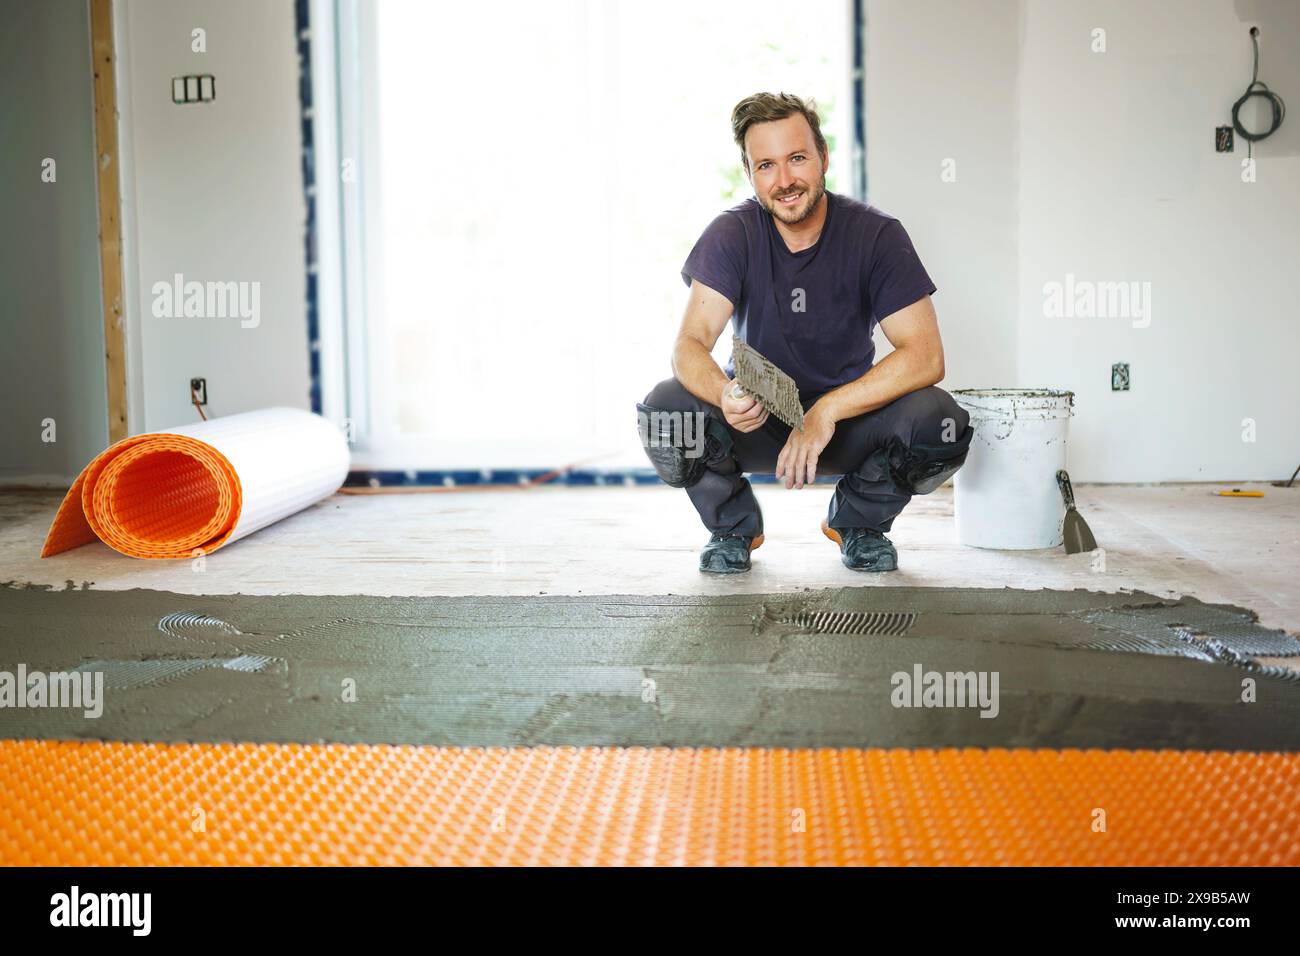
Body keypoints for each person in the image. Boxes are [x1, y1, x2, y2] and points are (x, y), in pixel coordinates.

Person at [637, 92, 973, 574]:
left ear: (823, 158)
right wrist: (725, 393)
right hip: (755, 422)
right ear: (750, 174)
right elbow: (688, 346)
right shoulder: (732, 234)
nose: (785, 180)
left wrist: (828, 410)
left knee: (940, 421)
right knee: (667, 411)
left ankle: (858, 521)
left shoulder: (876, 235)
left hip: (848, 426)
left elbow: (925, 356)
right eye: (766, 165)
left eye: (797, 158)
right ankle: (733, 526)